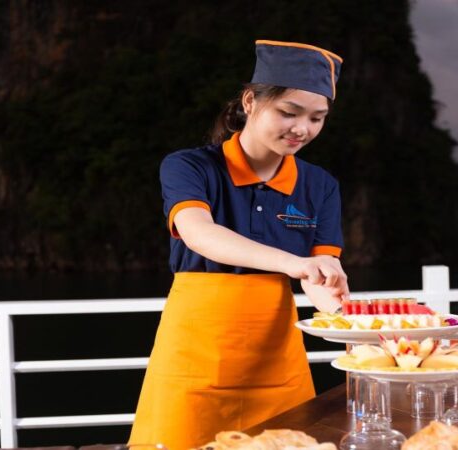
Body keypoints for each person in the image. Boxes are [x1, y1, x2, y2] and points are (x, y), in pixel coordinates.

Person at [129, 40, 349, 449]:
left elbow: (319, 275)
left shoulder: (320, 185)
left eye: (317, 118)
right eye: (289, 112)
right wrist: (295, 263)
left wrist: (352, 319)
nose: (302, 129)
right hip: (193, 357)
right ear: (250, 101)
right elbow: (199, 233)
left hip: (276, 359)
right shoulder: (190, 166)